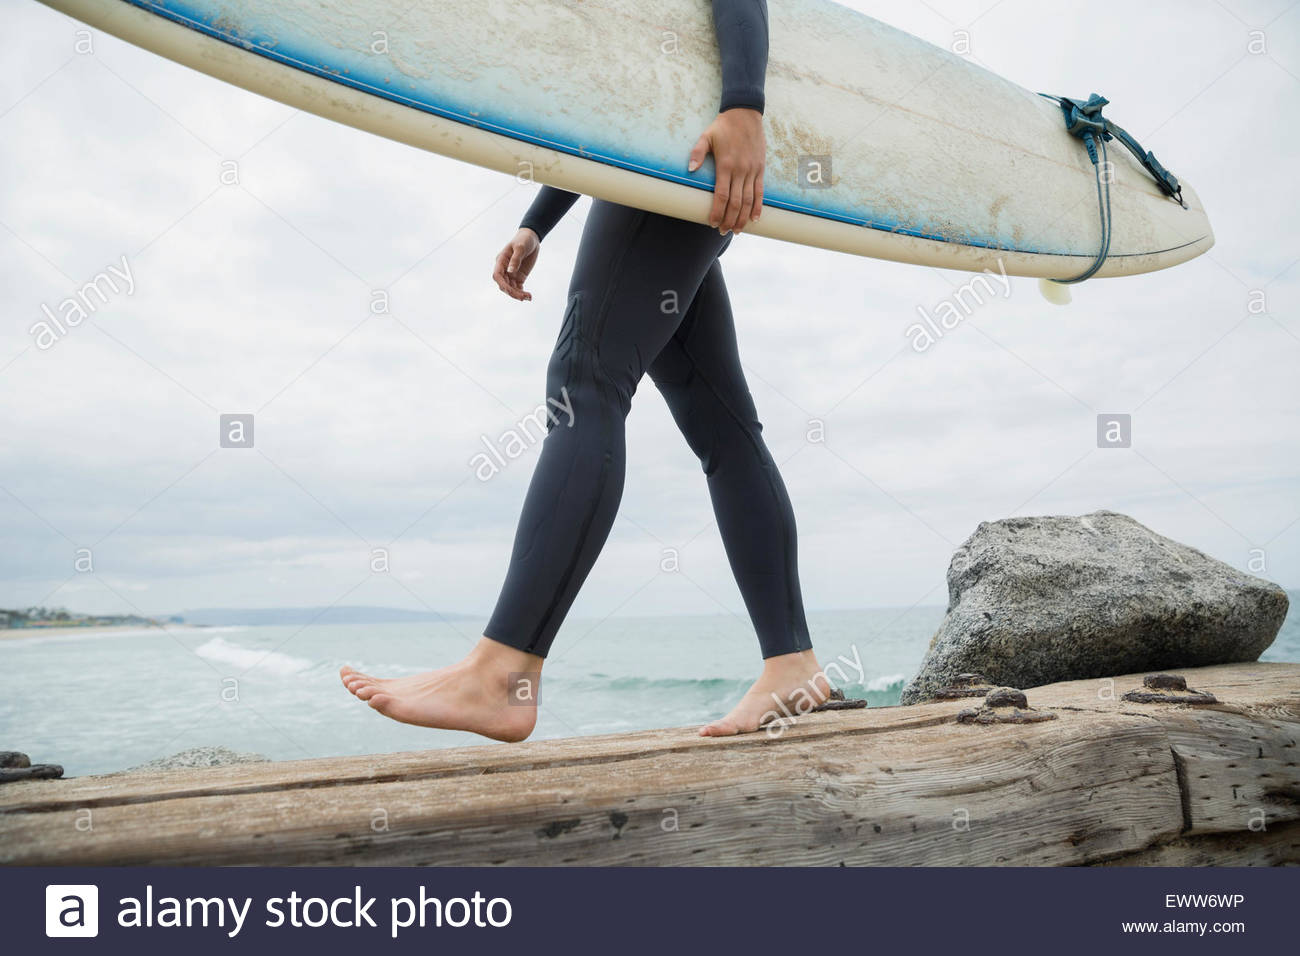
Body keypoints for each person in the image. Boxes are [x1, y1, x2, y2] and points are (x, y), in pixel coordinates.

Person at [341, 0, 832, 741]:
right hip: (667, 151)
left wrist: (743, 108)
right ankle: (793, 668)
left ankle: (502, 674)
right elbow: (617, 89)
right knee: (722, 428)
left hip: (678, 150)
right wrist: (540, 217)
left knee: (586, 384)